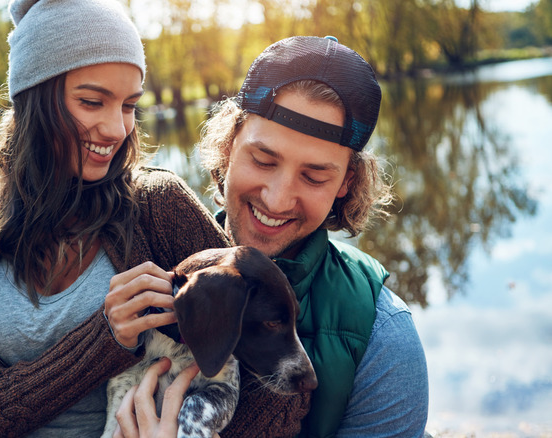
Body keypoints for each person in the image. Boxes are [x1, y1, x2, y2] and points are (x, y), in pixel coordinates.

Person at [0, 1, 309, 437]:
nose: (116, 129)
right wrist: (105, 341)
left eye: (128, 105)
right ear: (33, 98)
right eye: (92, 101)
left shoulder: (158, 206)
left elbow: (281, 396)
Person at [118, 36, 429, 437]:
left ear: (345, 184)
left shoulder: (384, 340)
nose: (277, 199)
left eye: (314, 176)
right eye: (263, 160)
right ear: (228, 149)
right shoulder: (148, 259)